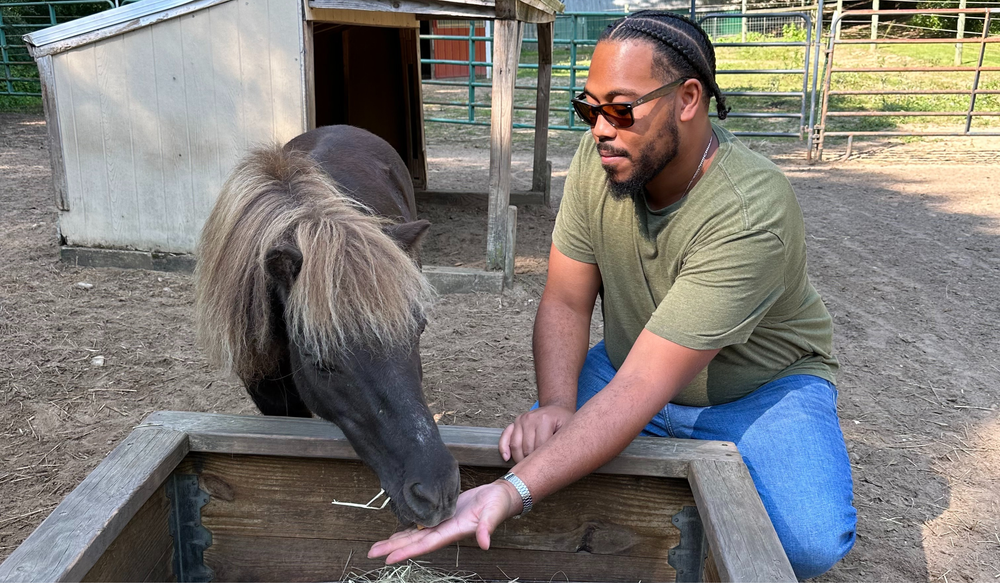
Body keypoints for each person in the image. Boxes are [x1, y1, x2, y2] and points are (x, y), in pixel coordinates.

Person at [369, 11, 857, 579]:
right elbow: (566, 301)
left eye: (620, 109)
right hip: (627, 367)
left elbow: (645, 386)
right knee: (540, 461)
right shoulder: (599, 159)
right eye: (589, 107)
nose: (600, 128)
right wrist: (556, 402)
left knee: (808, 543)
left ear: (688, 98)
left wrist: (513, 492)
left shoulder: (749, 213)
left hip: (753, 390)